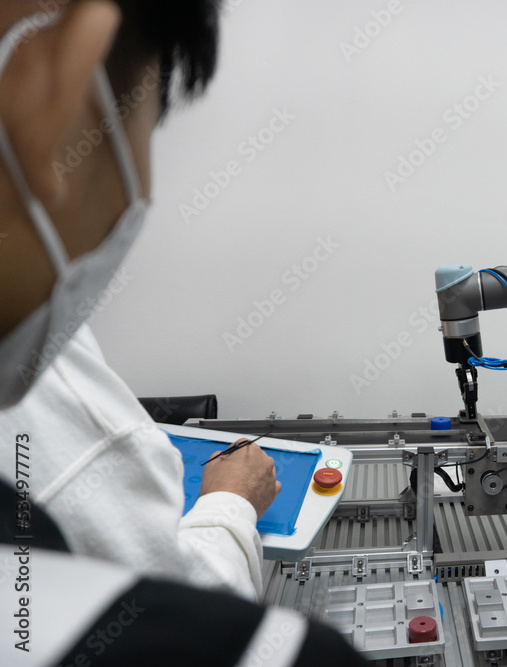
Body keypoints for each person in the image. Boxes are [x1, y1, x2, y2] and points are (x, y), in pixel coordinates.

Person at [0, 0, 282, 602]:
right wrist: (228, 507)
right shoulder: (41, 398)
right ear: (65, 79)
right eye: (147, 120)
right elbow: (186, 616)